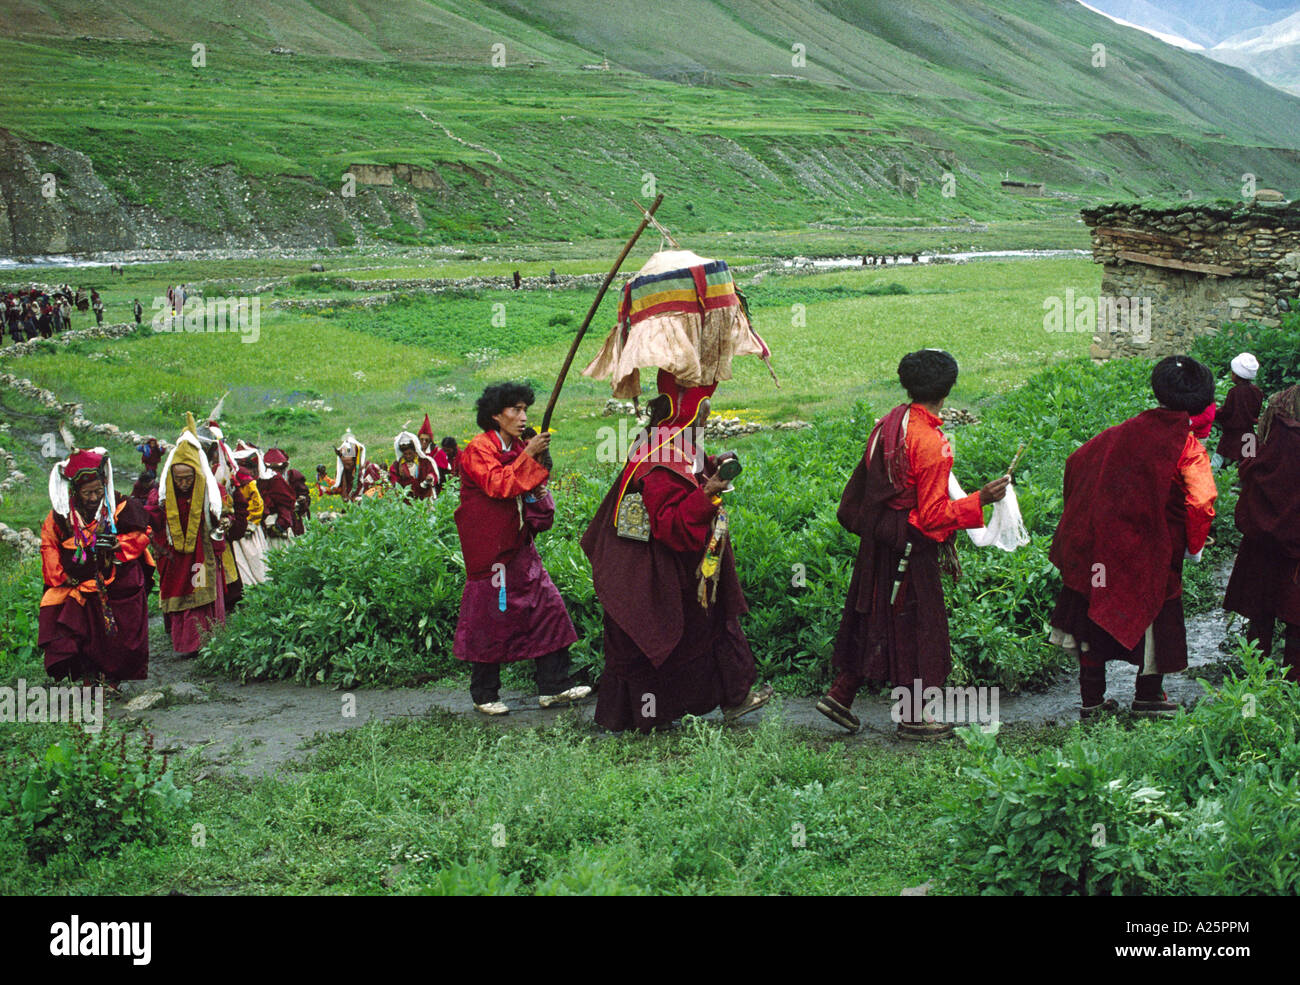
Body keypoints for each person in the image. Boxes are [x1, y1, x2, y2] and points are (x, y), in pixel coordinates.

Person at [817, 350, 1008, 738]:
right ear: (948, 389)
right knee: (919, 627)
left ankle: (841, 694)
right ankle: (916, 717)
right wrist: (981, 499)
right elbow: (935, 515)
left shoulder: (890, 423)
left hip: (880, 537)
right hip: (910, 543)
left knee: (876, 613)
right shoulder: (932, 442)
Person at [582, 370, 773, 732]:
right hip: (650, 572)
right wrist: (707, 493)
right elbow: (671, 525)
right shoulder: (661, 461)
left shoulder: (668, 442)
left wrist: (711, 469)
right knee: (659, 635)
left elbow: (692, 469)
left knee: (714, 623)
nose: (707, 419)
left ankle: (735, 697)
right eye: (703, 413)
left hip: (674, 565)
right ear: (689, 414)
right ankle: (646, 717)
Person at [1047, 356, 1218, 718]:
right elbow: (1201, 501)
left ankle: (1092, 702)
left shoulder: (1122, 431)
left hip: (1104, 546)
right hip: (1153, 549)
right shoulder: (1188, 448)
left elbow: (1077, 461)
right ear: (1200, 401)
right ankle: (1148, 697)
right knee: (1155, 611)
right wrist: (1194, 546)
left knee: (1095, 614)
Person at [453, 382, 589, 715]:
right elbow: (499, 485)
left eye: (525, 409)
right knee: (491, 617)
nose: (523, 416)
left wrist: (538, 471)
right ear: (496, 415)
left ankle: (553, 687)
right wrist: (529, 457)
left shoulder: (518, 446)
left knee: (547, 607)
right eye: (515, 410)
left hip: (519, 547)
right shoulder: (478, 450)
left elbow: (533, 495)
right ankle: (484, 694)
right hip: (489, 552)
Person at [38, 448, 154, 688]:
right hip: (78, 582)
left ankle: (114, 677)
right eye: (87, 492)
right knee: (71, 623)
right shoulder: (61, 515)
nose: (93, 498)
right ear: (75, 492)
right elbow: (48, 545)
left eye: (98, 491)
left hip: (118, 579)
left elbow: (141, 535)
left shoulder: (121, 505)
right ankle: (88, 674)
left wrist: (117, 544)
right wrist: (61, 576)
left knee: (119, 633)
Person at [1223, 384, 1300, 681]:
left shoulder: (1278, 406)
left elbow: (1252, 459)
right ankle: (1292, 681)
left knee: (1261, 608)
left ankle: (1254, 677)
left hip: (1264, 541)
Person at [146, 421, 230, 658]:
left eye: (188, 479)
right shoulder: (161, 496)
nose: (183, 484)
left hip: (200, 555)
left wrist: (225, 520)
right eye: (178, 479)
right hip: (175, 558)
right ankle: (185, 643)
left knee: (200, 592)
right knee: (180, 594)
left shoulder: (209, 492)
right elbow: (151, 516)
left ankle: (204, 641)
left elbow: (224, 511)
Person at [1212, 352, 1264, 469]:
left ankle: (1210, 476)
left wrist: (1213, 413)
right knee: (1248, 461)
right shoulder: (1258, 392)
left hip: (1232, 433)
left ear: (1235, 375)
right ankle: (1245, 483)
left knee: (1219, 457)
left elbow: (1226, 411)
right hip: (1249, 432)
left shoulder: (1234, 392)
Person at [259, 447, 310, 538]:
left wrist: (302, 500)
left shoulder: (293, 477)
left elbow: (305, 498)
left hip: (295, 519)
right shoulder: (264, 482)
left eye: (279, 468)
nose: (276, 472)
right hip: (273, 522)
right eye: (273, 468)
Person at [389, 430, 439, 500]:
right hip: (406, 500)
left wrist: (430, 477)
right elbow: (394, 479)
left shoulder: (424, 461)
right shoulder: (397, 466)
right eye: (405, 454)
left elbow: (432, 473)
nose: (408, 456)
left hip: (425, 496)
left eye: (410, 453)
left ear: (415, 451)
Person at [321, 430, 365, 502]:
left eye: (349, 463)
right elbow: (337, 487)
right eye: (344, 463)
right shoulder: (343, 473)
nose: (347, 465)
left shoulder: (363, 471)